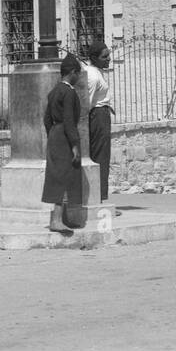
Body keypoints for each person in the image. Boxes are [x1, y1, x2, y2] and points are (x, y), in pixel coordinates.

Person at [42, 53, 85, 234]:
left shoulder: (54, 91)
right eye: (78, 73)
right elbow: (69, 120)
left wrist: (53, 134)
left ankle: (64, 218)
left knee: (59, 175)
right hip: (65, 137)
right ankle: (56, 219)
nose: (79, 77)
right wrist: (74, 144)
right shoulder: (68, 92)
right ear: (72, 73)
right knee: (63, 176)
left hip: (55, 134)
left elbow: (46, 119)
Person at [79, 40, 114, 204]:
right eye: (105, 56)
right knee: (100, 156)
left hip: (102, 114)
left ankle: (99, 196)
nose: (108, 59)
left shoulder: (97, 72)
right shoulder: (92, 75)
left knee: (103, 156)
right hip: (97, 116)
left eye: (109, 55)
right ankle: (97, 198)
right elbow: (87, 102)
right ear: (95, 58)